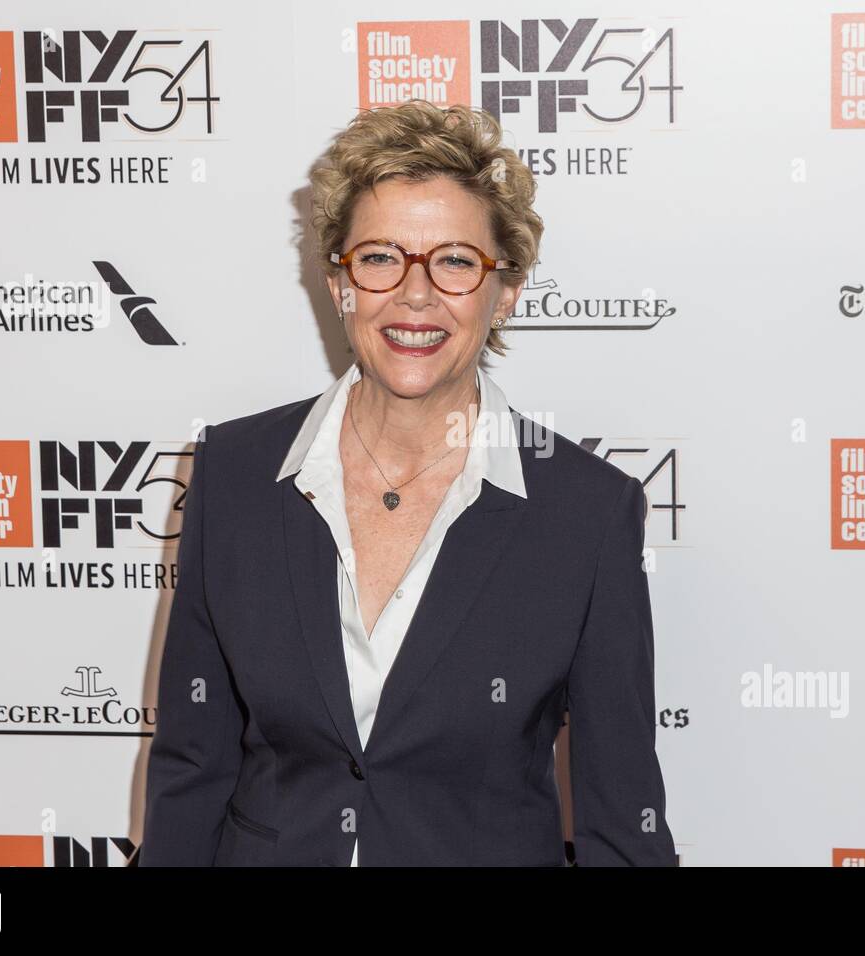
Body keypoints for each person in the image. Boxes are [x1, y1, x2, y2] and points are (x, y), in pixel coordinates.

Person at [139, 99, 676, 866]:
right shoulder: (233, 473)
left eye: (456, 261)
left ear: (507, 289)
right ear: (339, 282)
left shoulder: (587, 513)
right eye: (381, 257)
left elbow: (623, 820)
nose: (414, 294)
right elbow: (191, 770)